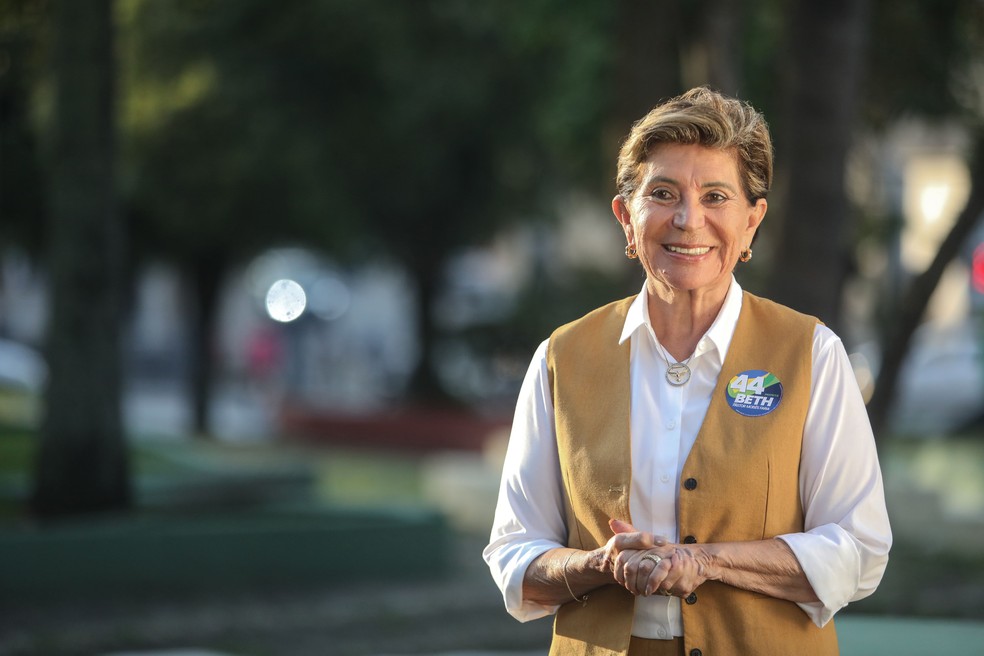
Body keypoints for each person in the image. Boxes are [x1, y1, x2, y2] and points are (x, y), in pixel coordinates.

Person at [483, 87, 891, 656]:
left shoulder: (812, 354)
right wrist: (599, 566)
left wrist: (706, 561)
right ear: (627, 218)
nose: (688, 219)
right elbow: (515, 556)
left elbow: (859, 548)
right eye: (663, 193)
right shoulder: (561, 357)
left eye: (716, 196)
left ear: (752, 222)